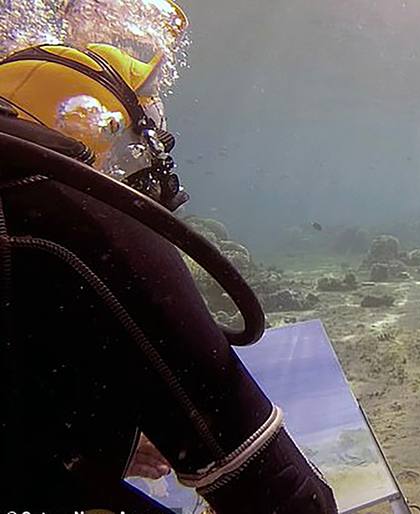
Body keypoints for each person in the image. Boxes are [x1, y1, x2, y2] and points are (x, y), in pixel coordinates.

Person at [0, 2, 337, 512]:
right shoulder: (85, 221)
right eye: (142, 141)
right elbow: (286, 497)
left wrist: (96, 441)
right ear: (101, 135)